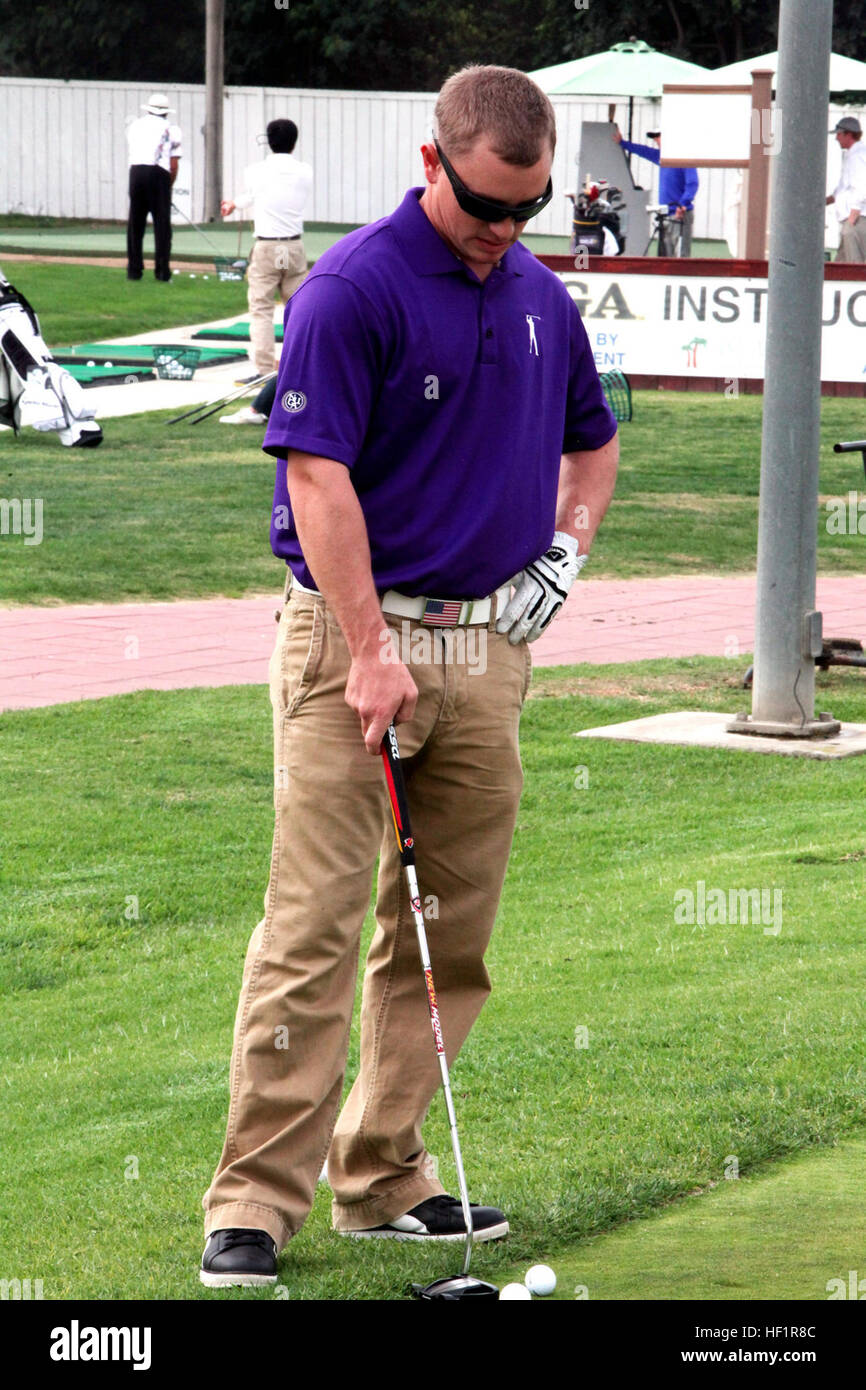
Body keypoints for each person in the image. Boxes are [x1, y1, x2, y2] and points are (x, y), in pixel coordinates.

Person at [200, 63, 619, 1288]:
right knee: (313, 928)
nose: (503, 234)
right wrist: (373, 653)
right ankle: (252, 1205)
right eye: (486, 208)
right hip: (352, 643)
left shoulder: (540, 295)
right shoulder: (352, 289)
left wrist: (565, 552)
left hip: (488, 649)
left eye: (527, 210)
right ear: (431, 165)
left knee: (445, 935)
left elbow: (589, 445)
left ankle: (381, 1176)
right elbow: (313, 479)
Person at [221, 119, 312, 383]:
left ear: (268, 141)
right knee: (297, 310)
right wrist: (237, 203)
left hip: (267, 246)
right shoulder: (305, 171)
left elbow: (255, 194)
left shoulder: (255, 171)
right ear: (294, 142)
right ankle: (298, 367)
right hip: (293, 247)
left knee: (261, 309)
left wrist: (233, 205)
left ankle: (263, 371)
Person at [612, 126, 698, 256]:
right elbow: (644, 151)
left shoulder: (683, 158)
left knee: (681, 255)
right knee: (665, 255)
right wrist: (623, 143)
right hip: (666, 213)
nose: (656, 140)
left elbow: (692, 183)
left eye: (658, 136)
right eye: (655, 138)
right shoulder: (662, 157)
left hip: (680, 214)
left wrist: (683, 204)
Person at [125, 93, 181, 282]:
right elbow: (173, 164)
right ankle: (162, 272)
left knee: (135, 224)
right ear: (166, 113)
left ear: (148, 109)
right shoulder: (171, 129)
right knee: (162, 226)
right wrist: (168, 187)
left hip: (136, 172)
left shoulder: (135, 125)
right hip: (158, 173)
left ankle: (134, 271)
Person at [826, 116, 866, 263]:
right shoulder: (852, 155)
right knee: (841, 265)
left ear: (849, 134)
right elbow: (843, 188)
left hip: (856, 220)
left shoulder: (858, 156)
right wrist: (826, 201)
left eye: (839, 134)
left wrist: (852, 218)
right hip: (851, 221)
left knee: (855, 267)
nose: (837, 138)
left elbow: (862, 186)